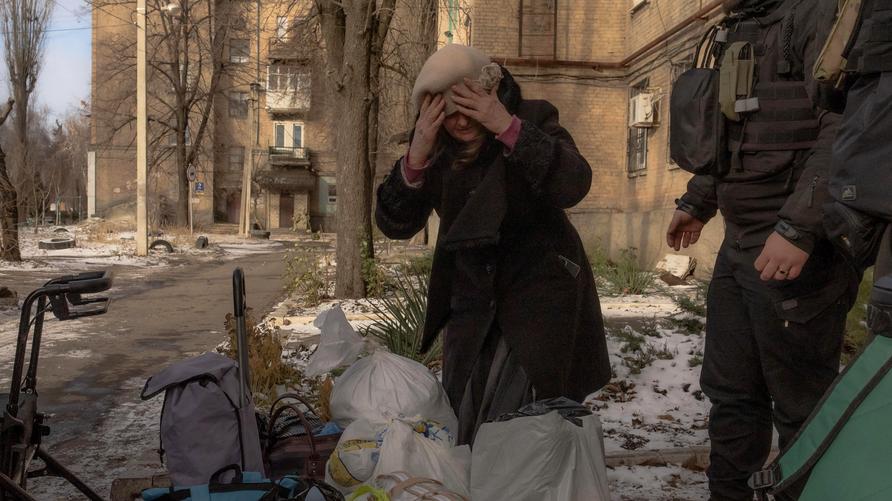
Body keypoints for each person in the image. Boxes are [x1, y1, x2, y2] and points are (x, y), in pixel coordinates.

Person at [666, 1, 860, 499]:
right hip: (740, 243)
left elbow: (847, 125)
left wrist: (798, 227)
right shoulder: (743, 24)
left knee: (802, 409)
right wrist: (698, 200)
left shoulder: (816, 13)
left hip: (794, 250)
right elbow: (729, 130)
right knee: (731, 398)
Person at [375, 44, 610, 446]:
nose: (461, 121)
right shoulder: (438, 150)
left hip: (537, 302)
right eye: (449, 113)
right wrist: (415, 158)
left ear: (489, 93)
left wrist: (507, 126)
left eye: (469, 107)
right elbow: (394, 224)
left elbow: (575, 184)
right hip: (472, 308)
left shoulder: (533, 119)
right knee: (470, 425)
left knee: (528, 429)